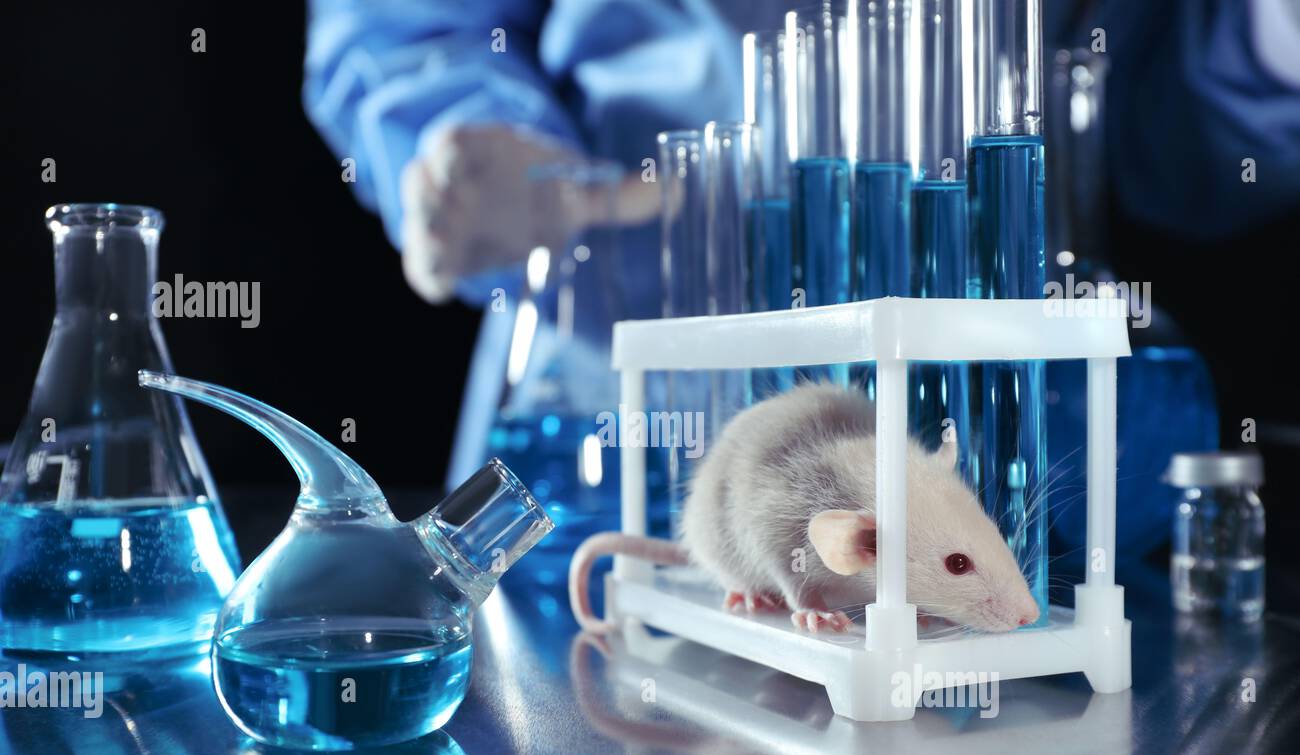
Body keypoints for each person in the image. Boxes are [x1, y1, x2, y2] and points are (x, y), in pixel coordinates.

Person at [304, 0, 1300, 536]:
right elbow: (397, 25)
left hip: (996, 440)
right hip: (618, 412)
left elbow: (1165, 142)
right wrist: (461, 133)